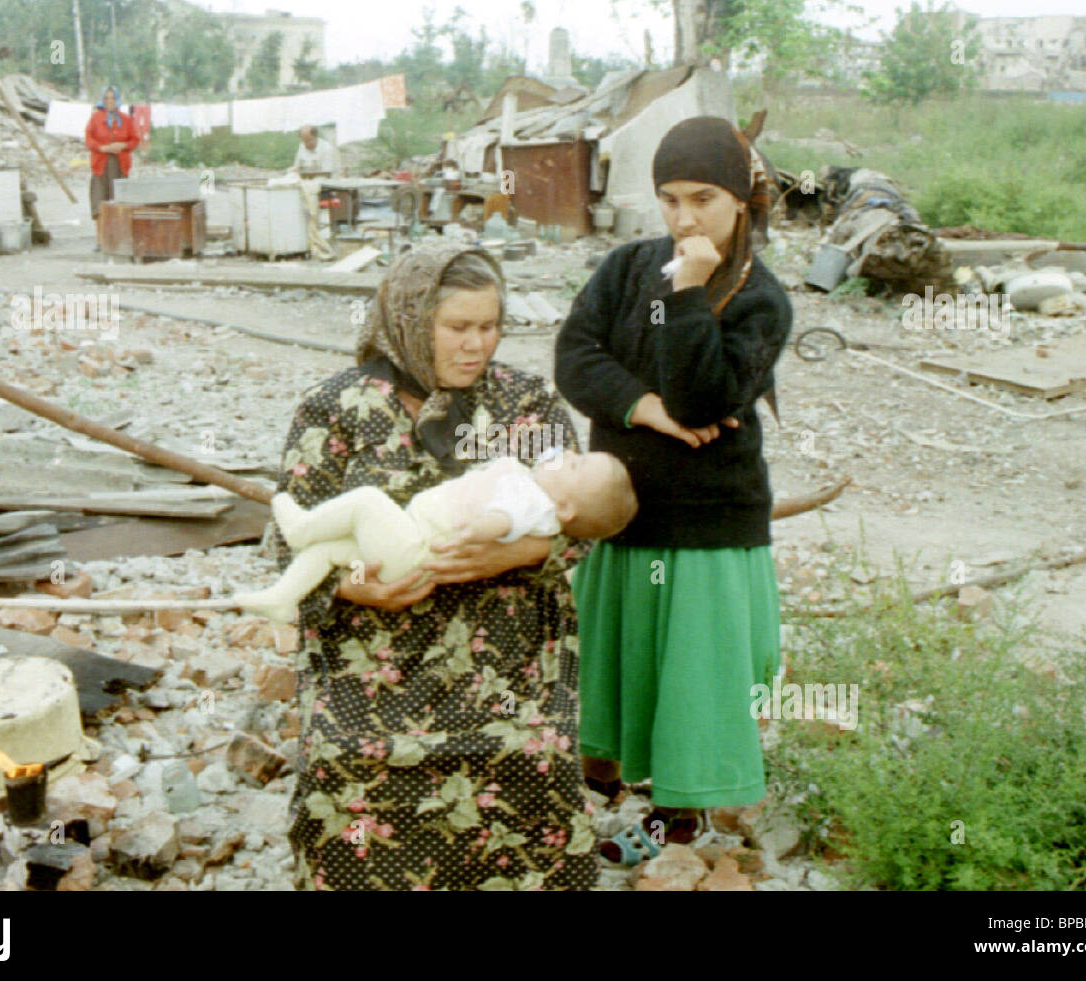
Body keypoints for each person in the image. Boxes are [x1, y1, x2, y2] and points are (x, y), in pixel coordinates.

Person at [273, 242, 600, 890]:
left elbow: (585, 520)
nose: (476, 344)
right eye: (457, 327)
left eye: (489, 326)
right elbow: (289, 545)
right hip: (373, 666)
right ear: (411, 319)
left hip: (506, 665)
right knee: (343, 774)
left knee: (536, 761)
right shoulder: (336, 408)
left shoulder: (526, 405)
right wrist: (367, 591)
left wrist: (515, 549)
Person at [553, 116, 792, 865]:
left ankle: (677, 818)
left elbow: (700, 394)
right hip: (625, 506)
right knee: (618, 658)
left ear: (742, 201)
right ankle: (598, 786)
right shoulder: (627, 269)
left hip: (709, 523)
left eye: (704, 199)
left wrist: (690, 291)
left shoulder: (762, 300)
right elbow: (574, 356)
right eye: (669, 199)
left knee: (692, 669)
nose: (685, 218)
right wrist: (641, 406)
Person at [235, 449, 636, 623]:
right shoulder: (540, 499)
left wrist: (477, 533)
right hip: (400, 556)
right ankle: (282, 600)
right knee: (328, 552)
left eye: (576, 465)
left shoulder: (531, 500)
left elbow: (502, 520)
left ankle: (299, 528)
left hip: (414, 550)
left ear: (566, 508)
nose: (567, 455)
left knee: (365, 502)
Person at [84, 85, 140, 223]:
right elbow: (88, 140)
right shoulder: (95, 118)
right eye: (106, 98)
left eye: (113, 98)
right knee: (100, 203)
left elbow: (135, 140)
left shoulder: (126, 119)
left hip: (120, 166)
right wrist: (102, 148)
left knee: (120, 202)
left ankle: (119, 238)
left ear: (118, 100)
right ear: (102, 100)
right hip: (100, 166)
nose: (110, 101)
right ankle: (101, 241)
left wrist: (123, 145)